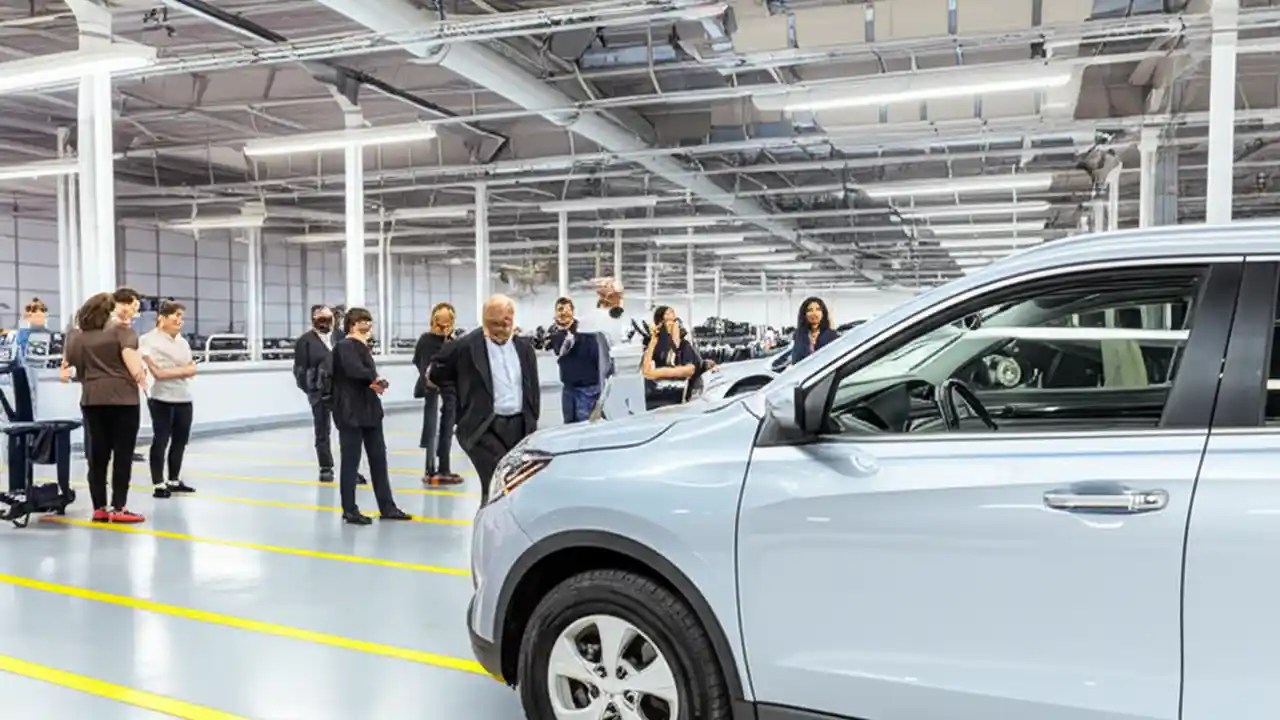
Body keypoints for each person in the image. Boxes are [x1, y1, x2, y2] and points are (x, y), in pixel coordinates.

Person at [429, 295, 539, 503]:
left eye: (504, 322)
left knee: (518, 485)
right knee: (497, 482)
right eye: (493, 323)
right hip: (482, 427)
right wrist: (460, 399)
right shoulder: (465, 346)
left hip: (519, 425)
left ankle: (509, 530)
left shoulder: (524, 347)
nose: (499, 328)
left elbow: (531, 384)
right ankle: (490, 529)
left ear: (512, 319)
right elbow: (437, 372)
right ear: (484, 320)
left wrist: (532, 416)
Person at [64, 292, 147, 524]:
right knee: (123, 455)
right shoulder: (123, 333)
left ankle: (99, 508)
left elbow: (72, 369)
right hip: (123, 400)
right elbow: (133, 365)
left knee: (97, 456)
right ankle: (119, 507)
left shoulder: (75, 336)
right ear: (110, 311)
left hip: (91, 399)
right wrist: (141, 375)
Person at [329, 307, 411, 526]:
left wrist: (375, 382)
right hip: (350, 413)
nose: (367, 324)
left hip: (369, 410)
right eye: (362, 321)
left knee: (378, 459)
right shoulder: (346, 346)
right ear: (352, 324)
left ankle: (387, 506)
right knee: (351, 462)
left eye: (369, 320)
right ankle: (350, 509)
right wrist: (373, 377)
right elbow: (355, 371)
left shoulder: (363, 347)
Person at [292, 304, 366, 485]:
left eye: (327, 318)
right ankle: (326, 468)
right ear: (313, 320)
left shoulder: (340, 337)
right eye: (320, 319)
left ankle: (351, 470)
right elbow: (300, 370)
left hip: (342, 391)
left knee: (348, 430)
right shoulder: (304, 341)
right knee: (322, 430)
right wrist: (312, 390)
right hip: (319, 393)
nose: (324, 322)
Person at [139, 301, 197, 499]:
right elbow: (158, 373)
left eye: (181, 316)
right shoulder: (147, 340)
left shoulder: (182, 342)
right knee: (161, 440)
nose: (179, 320)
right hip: (160, 397)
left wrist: (175, 371)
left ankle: (173, 479)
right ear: (161, 318)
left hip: (183, 397)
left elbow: (192, 369)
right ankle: (158, 483)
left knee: (180, 441)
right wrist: (182, 371)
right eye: (175, 316)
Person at [412, 302, 462, 487]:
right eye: (440, 324)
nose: (444, 328)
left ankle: (444, 467)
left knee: (447, 428)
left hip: (449, 388)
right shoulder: (426, 340)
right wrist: (429, 376)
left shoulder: (454, 342)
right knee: (431, 427)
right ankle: (430, 467)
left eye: (448, 324)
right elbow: (420, 360)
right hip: (431, 386)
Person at [642, 305, 716, 411]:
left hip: (681, 401)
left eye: (674, 323)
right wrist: (653, 342)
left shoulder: (685, 347)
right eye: (667, 323)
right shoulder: (657, 347)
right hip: (657, 399)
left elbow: (690, 370)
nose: (672, 327)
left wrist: (657, 373)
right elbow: (645, 370)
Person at [548, 297, 604, 424]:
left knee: (583, 426)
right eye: (559, 310)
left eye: (566, 310)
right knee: (568, 426)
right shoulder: (555, 332)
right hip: (569, 388)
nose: (563, 314)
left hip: (587, 388)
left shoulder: (583, 330)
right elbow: (557, 348)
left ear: (573, 312)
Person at [791, 296, 838, 365]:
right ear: (804, 314)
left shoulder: (831, 336)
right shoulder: (799, 335)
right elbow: (795, 360)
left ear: (823, 313)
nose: (814, 313)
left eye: (818, 309)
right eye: (810, 310)